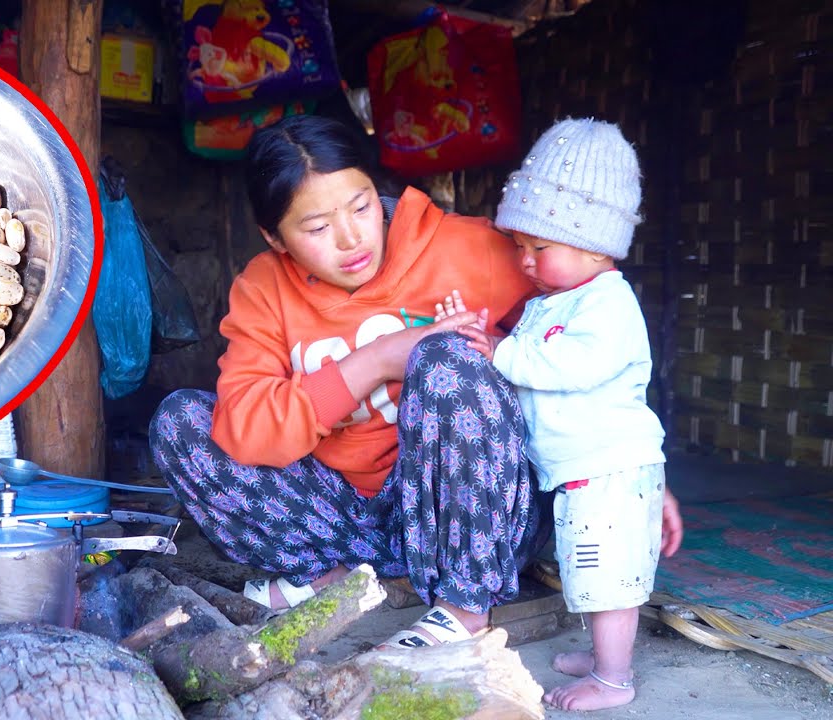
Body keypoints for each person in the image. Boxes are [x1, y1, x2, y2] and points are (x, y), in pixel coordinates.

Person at [148, 113, 549, 649]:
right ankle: (335, 573)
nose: (351, 237)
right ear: (275, 236)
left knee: (450, 358)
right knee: (182, 424)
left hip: (466, 517)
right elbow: (243, 429)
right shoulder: (264, 288)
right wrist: (379, 359)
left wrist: (626, 463)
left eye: (361, 207)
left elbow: (590, 334)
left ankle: (464, 603)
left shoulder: (470, 250)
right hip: (339, 518)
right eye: (316, 228)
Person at [453, 118, 684, 711]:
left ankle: (613, 679)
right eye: (520, 246)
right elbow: (539, 364)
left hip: (607, 471)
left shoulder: (608, 304)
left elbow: (572, 366)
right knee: (591, 573)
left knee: (608, 582)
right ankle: (606, 656)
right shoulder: (561, 299)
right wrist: (497, 339)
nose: (524, 261)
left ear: (594, 243)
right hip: (595, 470)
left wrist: (501, 351)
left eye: (540, 247)